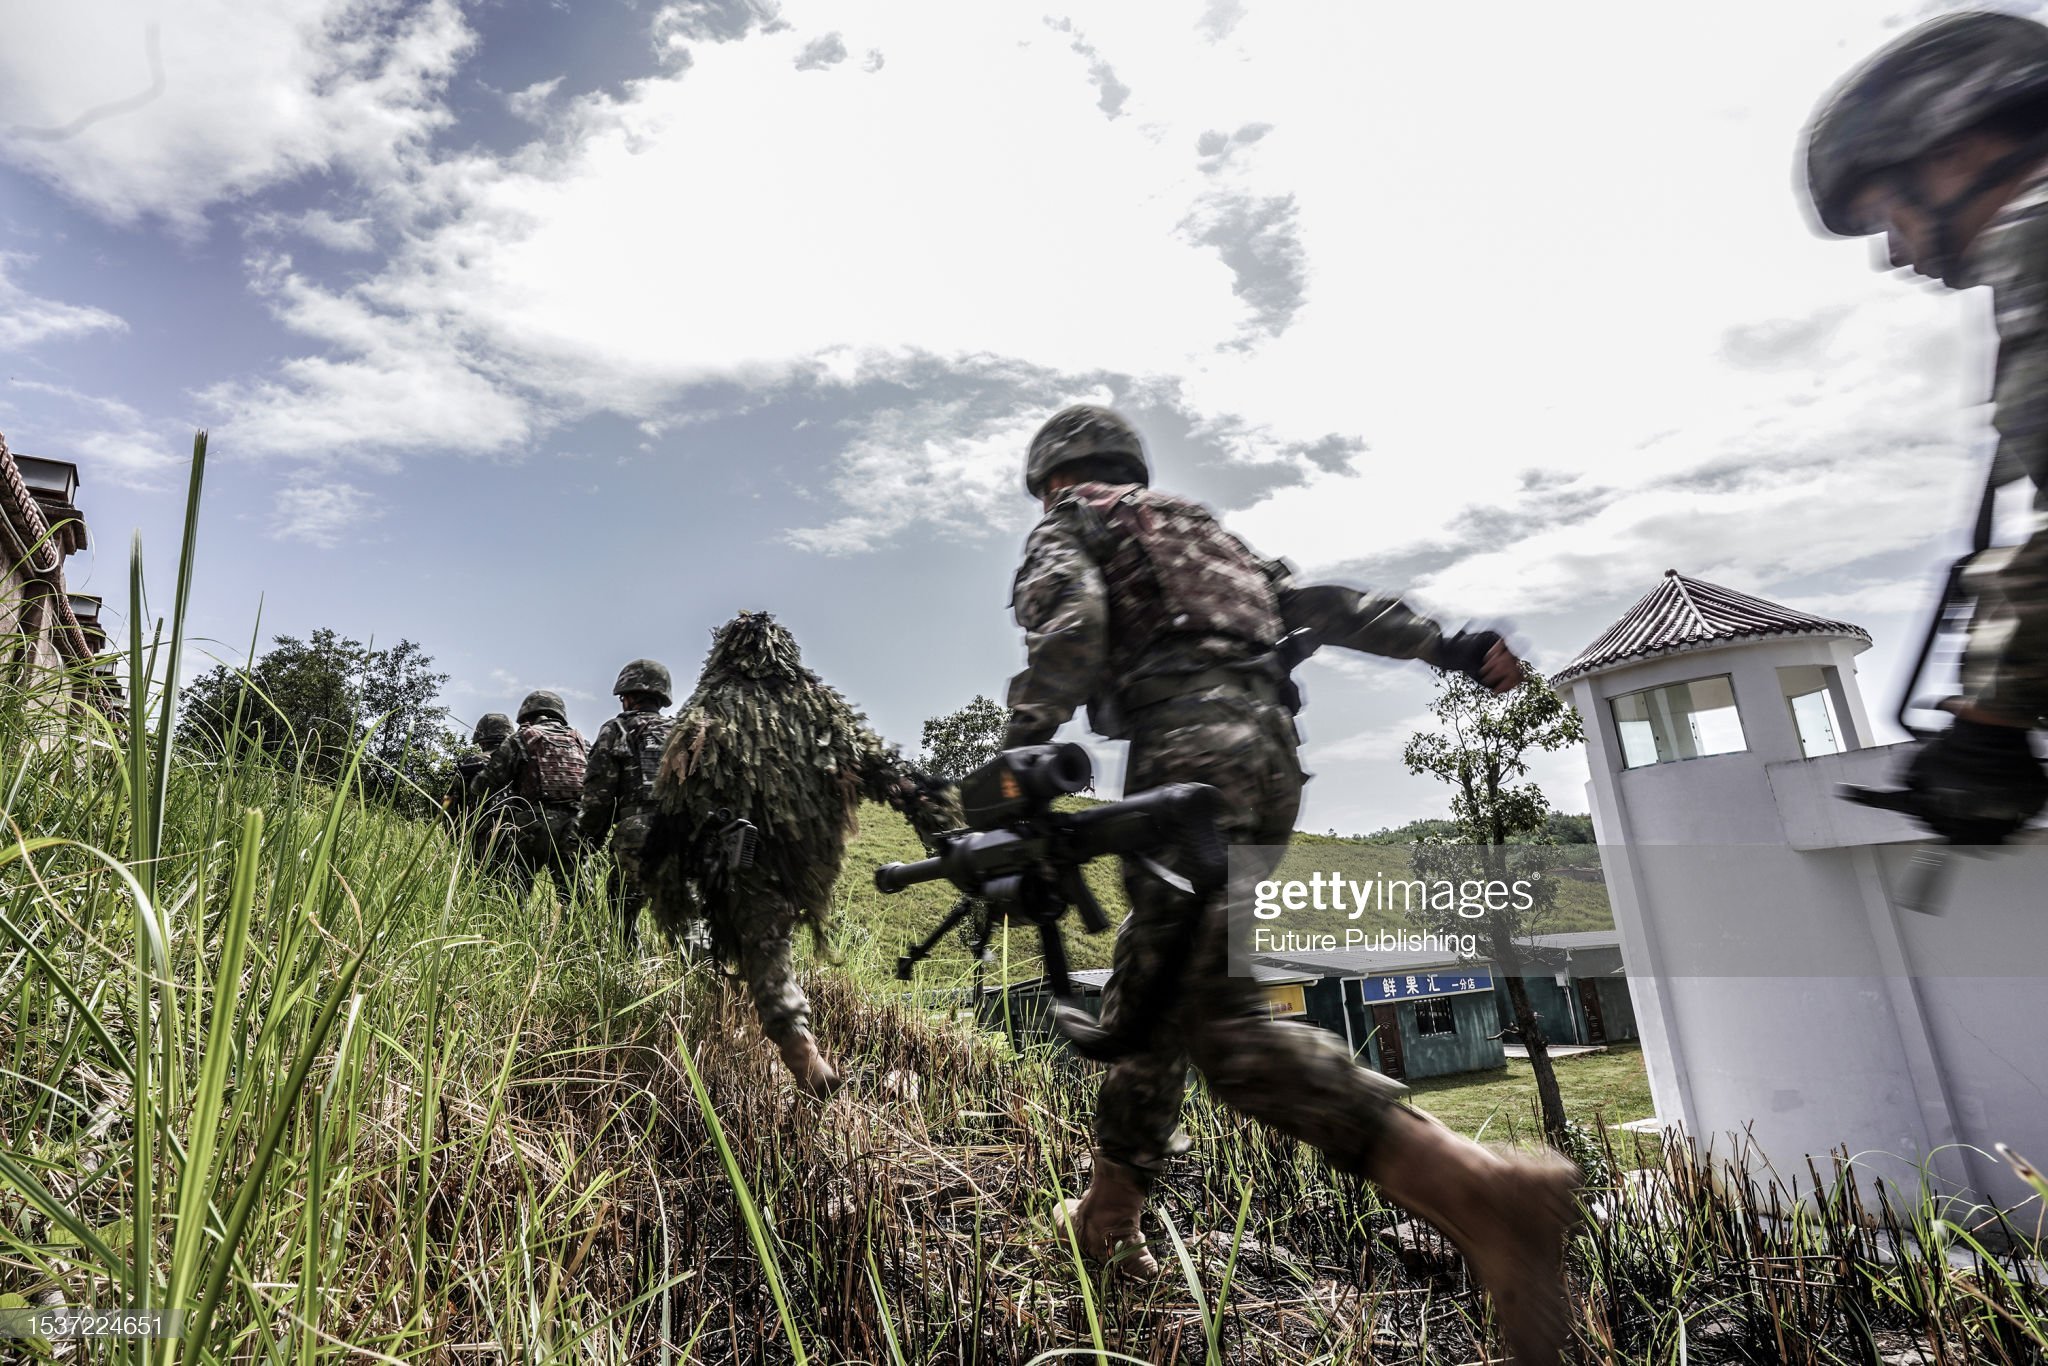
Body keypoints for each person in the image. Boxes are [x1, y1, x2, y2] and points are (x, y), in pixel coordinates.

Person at [1006, 404, 1578, 1365]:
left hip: (1185, 753)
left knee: (1224, 1030)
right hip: (1269, 761)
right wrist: (1449, 646)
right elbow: (1323, 605)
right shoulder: (1203, 531)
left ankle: (1483, 1192)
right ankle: (1111, 1217)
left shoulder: (1075, 523)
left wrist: (1022, 745)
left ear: (1054, 476)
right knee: (1161, 985)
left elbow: (1072, 626)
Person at [1803, 10, 2048, 841]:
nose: (1897, 255)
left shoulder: (2037, 237)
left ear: (1954, 151)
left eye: (1886, 216)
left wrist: (1989, 728)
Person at [643, 611, 956, 1096]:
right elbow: (885, 768)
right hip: (806, 857)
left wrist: (667, 868)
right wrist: (941, 828)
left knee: (764, 953)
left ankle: (803, 1054)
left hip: (740, 860)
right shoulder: (820, 704)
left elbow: (676, 795)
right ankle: (753, 1032)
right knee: (765, 945)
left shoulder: (709, 704)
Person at [578, 659, 679, 948]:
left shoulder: (617, 729)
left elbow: (599, 794)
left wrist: (587, 838)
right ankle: (708, 981)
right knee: (688, 917)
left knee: (623, 909)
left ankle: (632, 972)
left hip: (637, 831)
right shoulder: (680, 731)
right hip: (683, 831)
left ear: (629, 696)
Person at [470, 689, 589, 902]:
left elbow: (485, 784)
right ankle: (582, 935)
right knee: (578, 898)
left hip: (533, 823)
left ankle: (512, 932)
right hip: (575, 825)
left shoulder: (521, 739)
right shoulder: (581, 742)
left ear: (526, 716)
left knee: (515, 892)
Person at [445, 711, 518, 867]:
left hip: (480, 838)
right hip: (518, 837)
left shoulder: (473, 762)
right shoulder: (520, 760)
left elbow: (451, 808)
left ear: (481, 741)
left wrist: (457, 842)